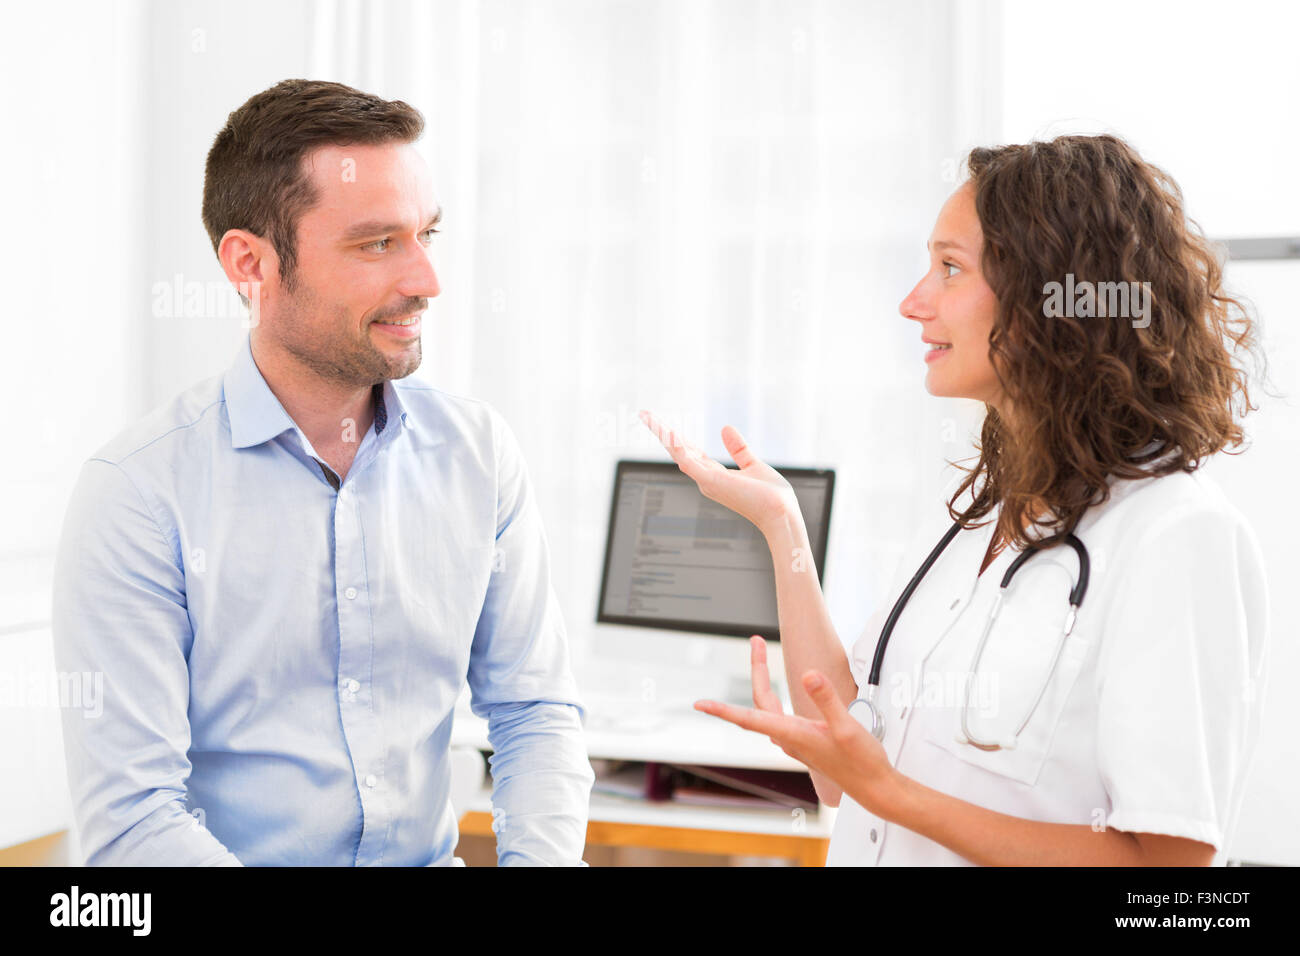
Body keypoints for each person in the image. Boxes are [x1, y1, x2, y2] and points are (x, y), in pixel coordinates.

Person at [641, 134, 1269, 866]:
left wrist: (894, 795)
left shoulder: (1175, 535)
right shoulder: (977, 508)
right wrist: (782, 528)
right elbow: (844, 772)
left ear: (1051, 296)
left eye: (949, 269)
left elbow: (1170, 870)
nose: (913, 303)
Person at [52, 79, 594, 866]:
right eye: (377, 244)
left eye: (426, 236)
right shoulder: (139, 495)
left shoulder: (477, 454)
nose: (424, 280)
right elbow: (134, 822)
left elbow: (535, 712)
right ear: (251, 264)